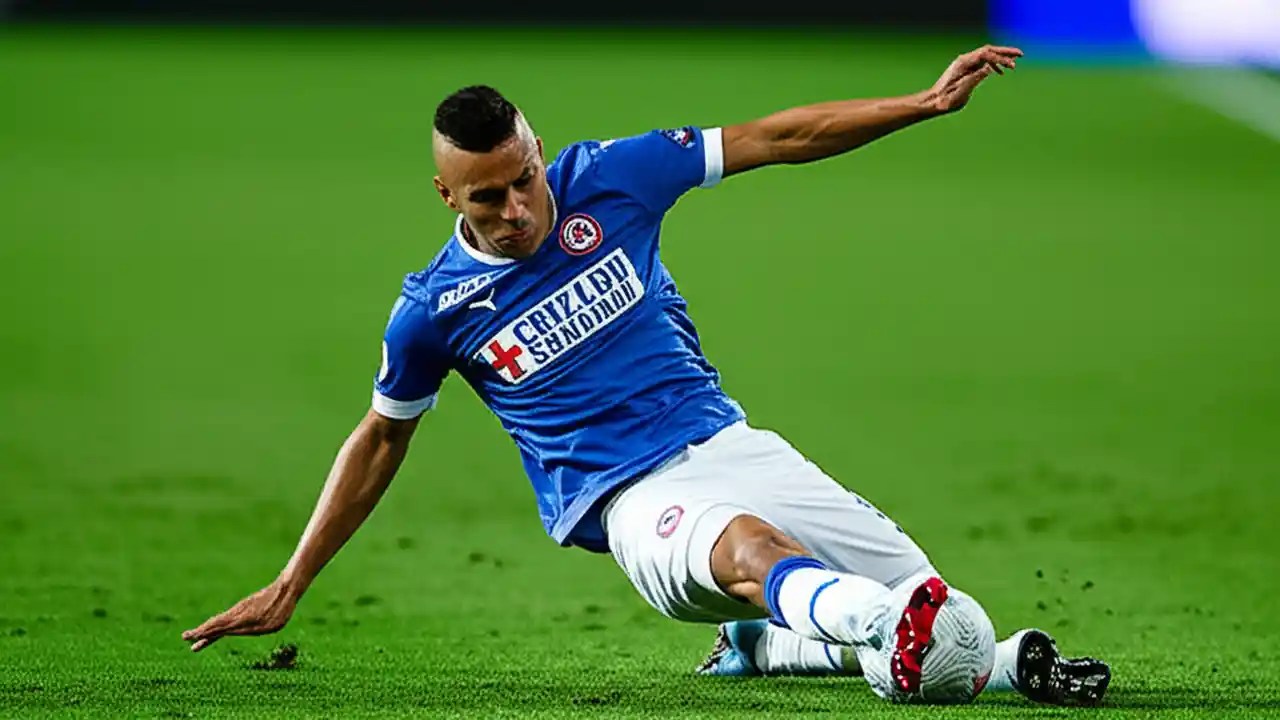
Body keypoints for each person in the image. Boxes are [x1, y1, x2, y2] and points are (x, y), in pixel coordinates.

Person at [182, 44, 1109, 705]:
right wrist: (293, 580)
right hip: (629, 502)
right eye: (489, 196)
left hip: (731, 442)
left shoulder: (610, 178)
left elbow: (776, 137)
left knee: (951, 627)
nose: (518, 208)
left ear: (539, 155)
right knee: (758, 552)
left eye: (526, 178)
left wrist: (920, 104)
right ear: (446, 196)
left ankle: (771, 647)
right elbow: (381, 437)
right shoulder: (432, 312)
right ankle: (862, 625)